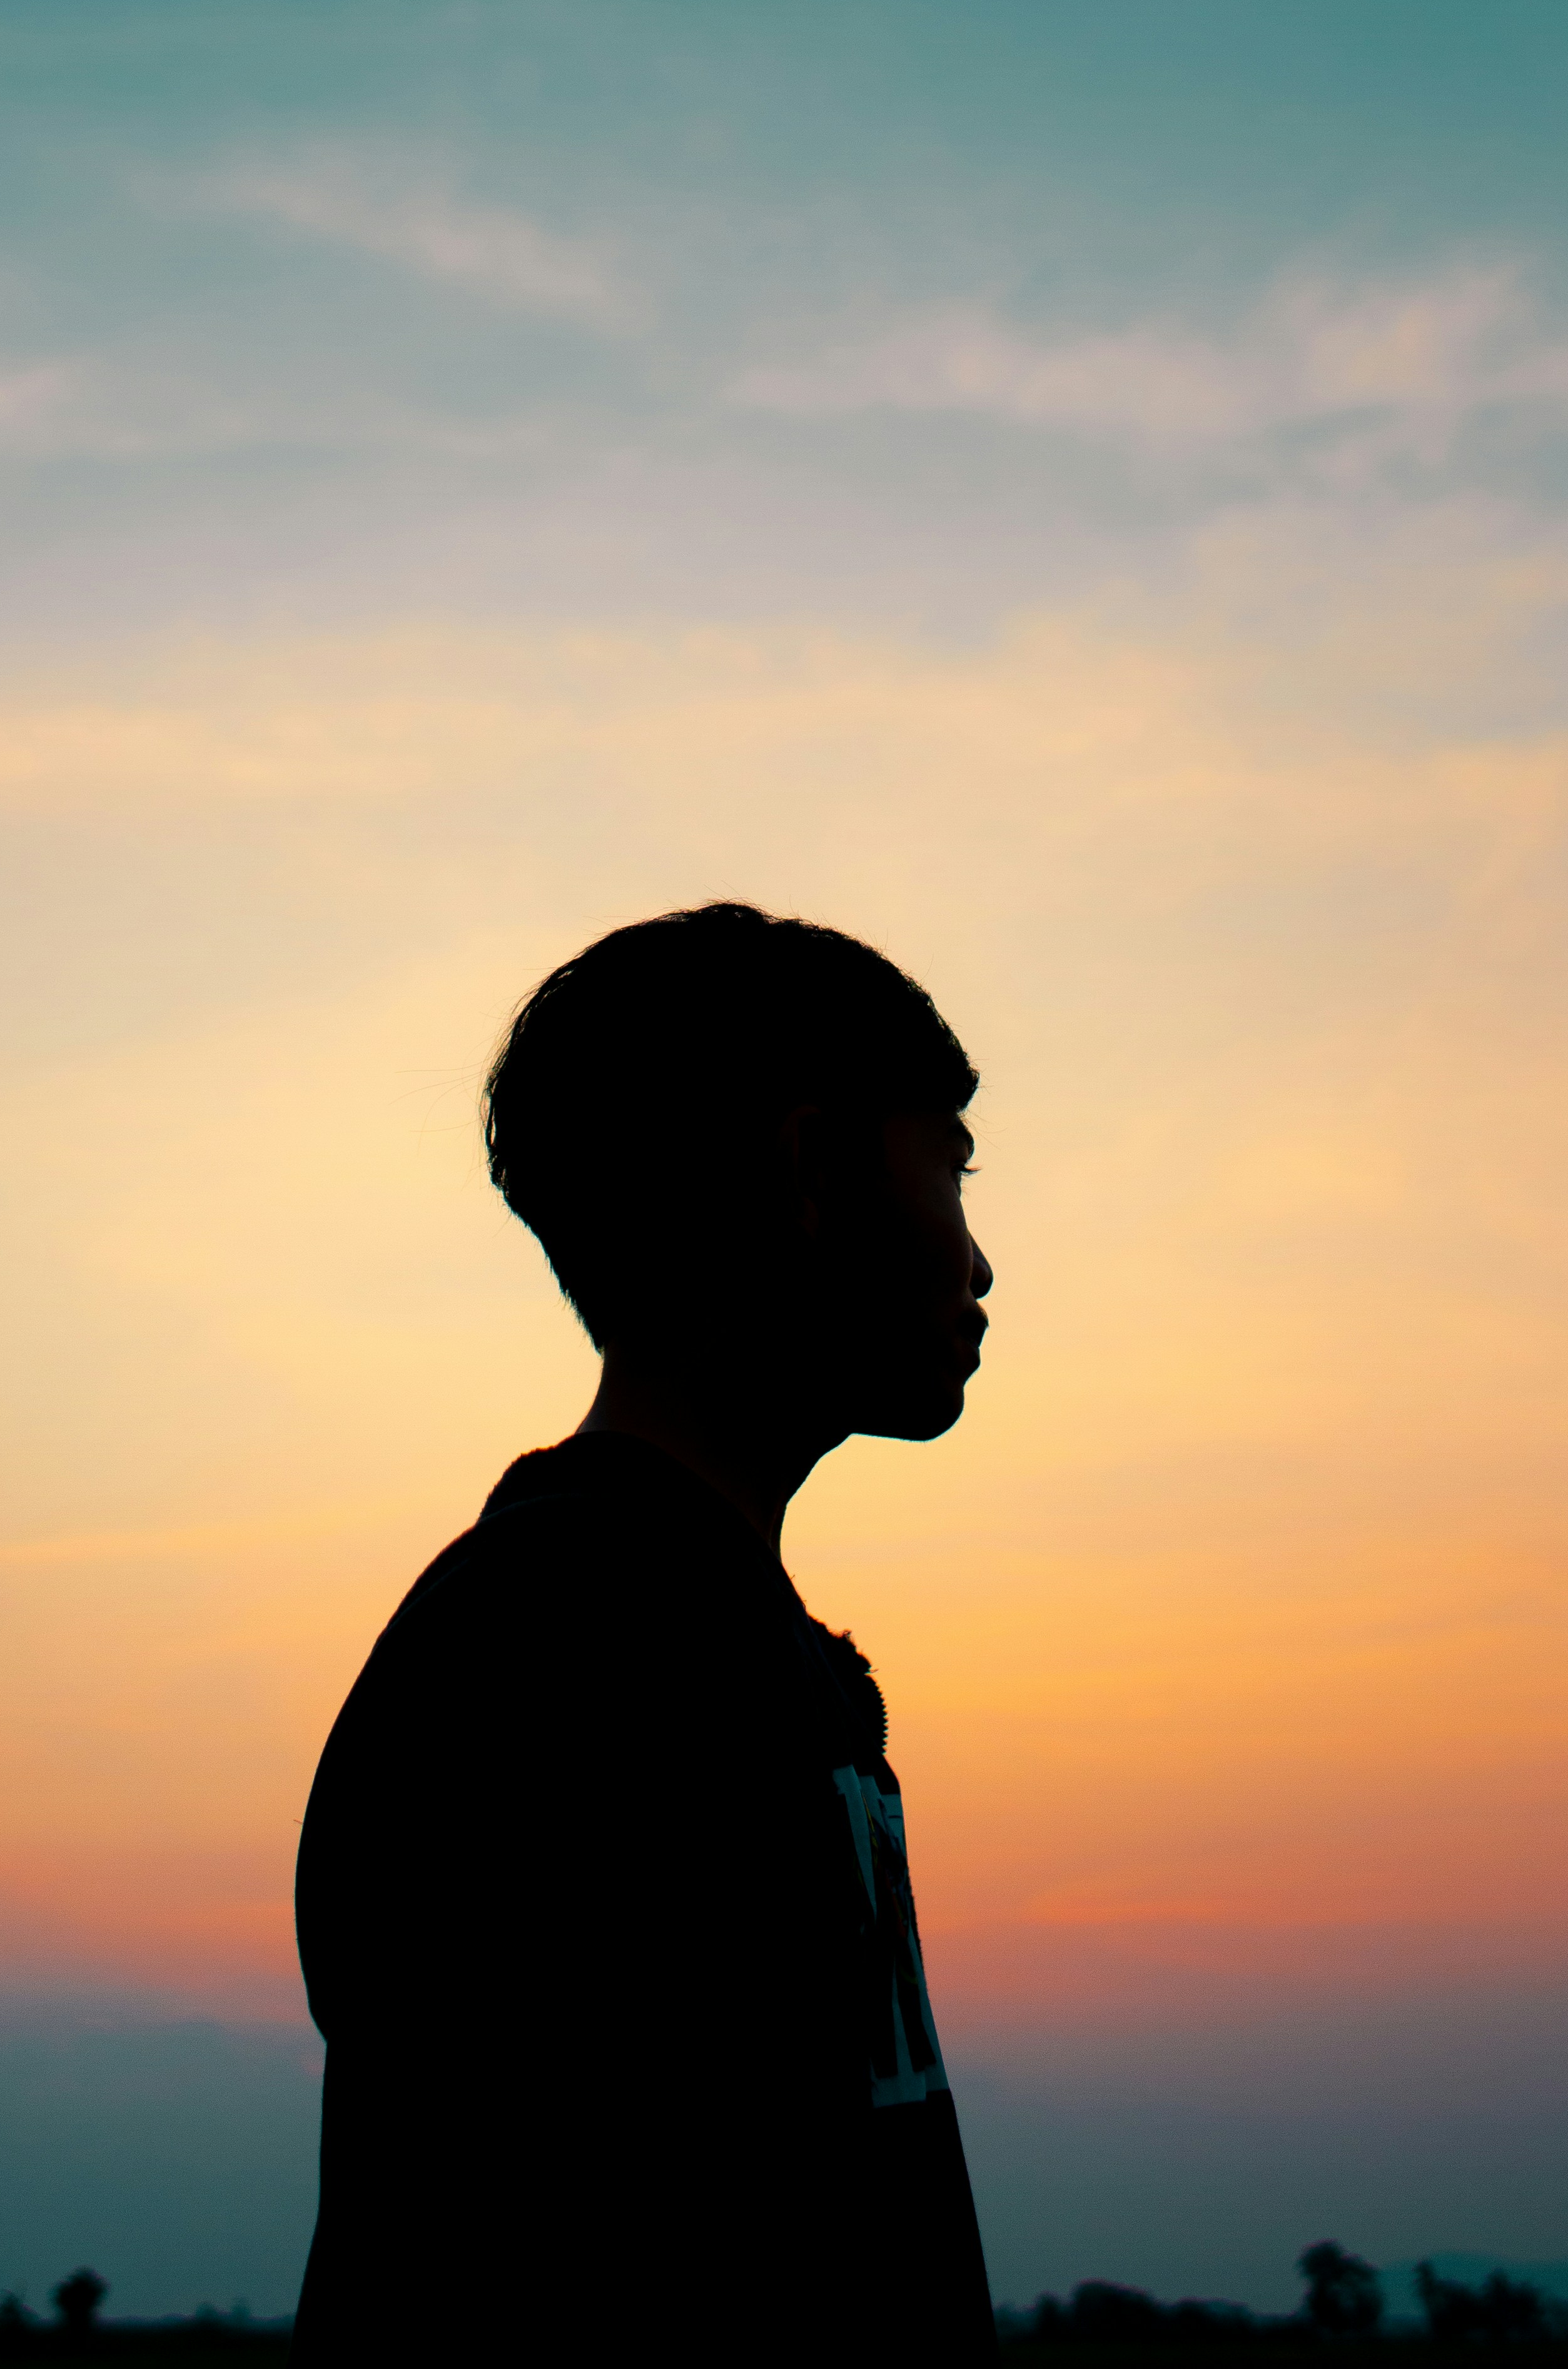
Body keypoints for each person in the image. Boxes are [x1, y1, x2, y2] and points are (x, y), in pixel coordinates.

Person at [291, 900, 998, 2364]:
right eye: (954, 1169)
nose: (979, 1261)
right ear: (811, 1168)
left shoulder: (739, 1650)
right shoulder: (557, 1662)